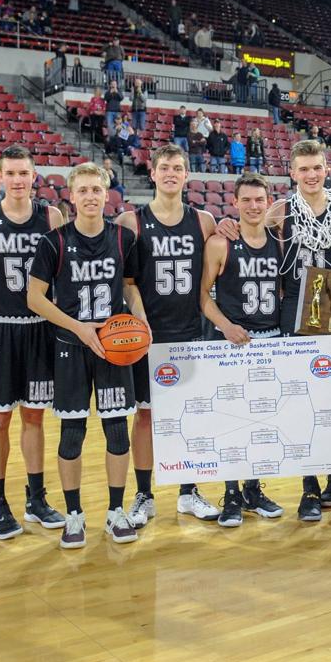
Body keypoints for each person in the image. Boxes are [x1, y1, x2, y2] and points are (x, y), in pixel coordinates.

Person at [216, 140, 331, 526]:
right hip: (296, 312)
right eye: (303, 169)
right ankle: (310, 488)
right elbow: (248, 230)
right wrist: (226, 223)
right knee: (302, 405)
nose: (312, 175)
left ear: (326, 168)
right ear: (292, 173)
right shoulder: (279, 211)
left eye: (317, 167)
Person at [26, 162, 144, 548]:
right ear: (71, 196)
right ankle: (74, 515)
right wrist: (77, 326)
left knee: (116, 432)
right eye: (84, 190)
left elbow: (130, 287)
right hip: (71, 347)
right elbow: (33, 299)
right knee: (71, 434)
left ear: (107, 194)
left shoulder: (123, 238)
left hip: (113, 347)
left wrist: (140, 322)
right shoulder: (54, 241)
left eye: (98, 190)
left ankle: (115, 511)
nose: (91, 196)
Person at [115, 144, 223, 526]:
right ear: (154, 173)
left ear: (187, 173)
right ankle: (144, 494)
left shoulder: (205, 220)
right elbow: (128, 283)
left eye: (178, 167)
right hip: (149, 336)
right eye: (165, 167)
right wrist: (141, 322)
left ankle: (188, 491)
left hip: (192, 334)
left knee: (191, 416)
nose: (171, 173)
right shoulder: (132, 221)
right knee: (145, 417)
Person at [0, 145, 67, 539]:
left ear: (34, 175)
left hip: (40, 327)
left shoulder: (52, 216)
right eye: (11, 173)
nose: (18, 179)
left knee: (35, 416)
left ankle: (36, 497)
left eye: (24, 172)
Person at [199, 173, 286, 527]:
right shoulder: (220, 244)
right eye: (246, 200)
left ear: (267, 203)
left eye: (259, 200)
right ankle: (231, 491)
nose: (253, 206)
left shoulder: (279, 242)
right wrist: (225, 326)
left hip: (271, 341)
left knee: (262, 421)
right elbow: (201, 295)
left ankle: (253, 488)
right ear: (234, 203)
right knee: (232, 422)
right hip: (234, 343)